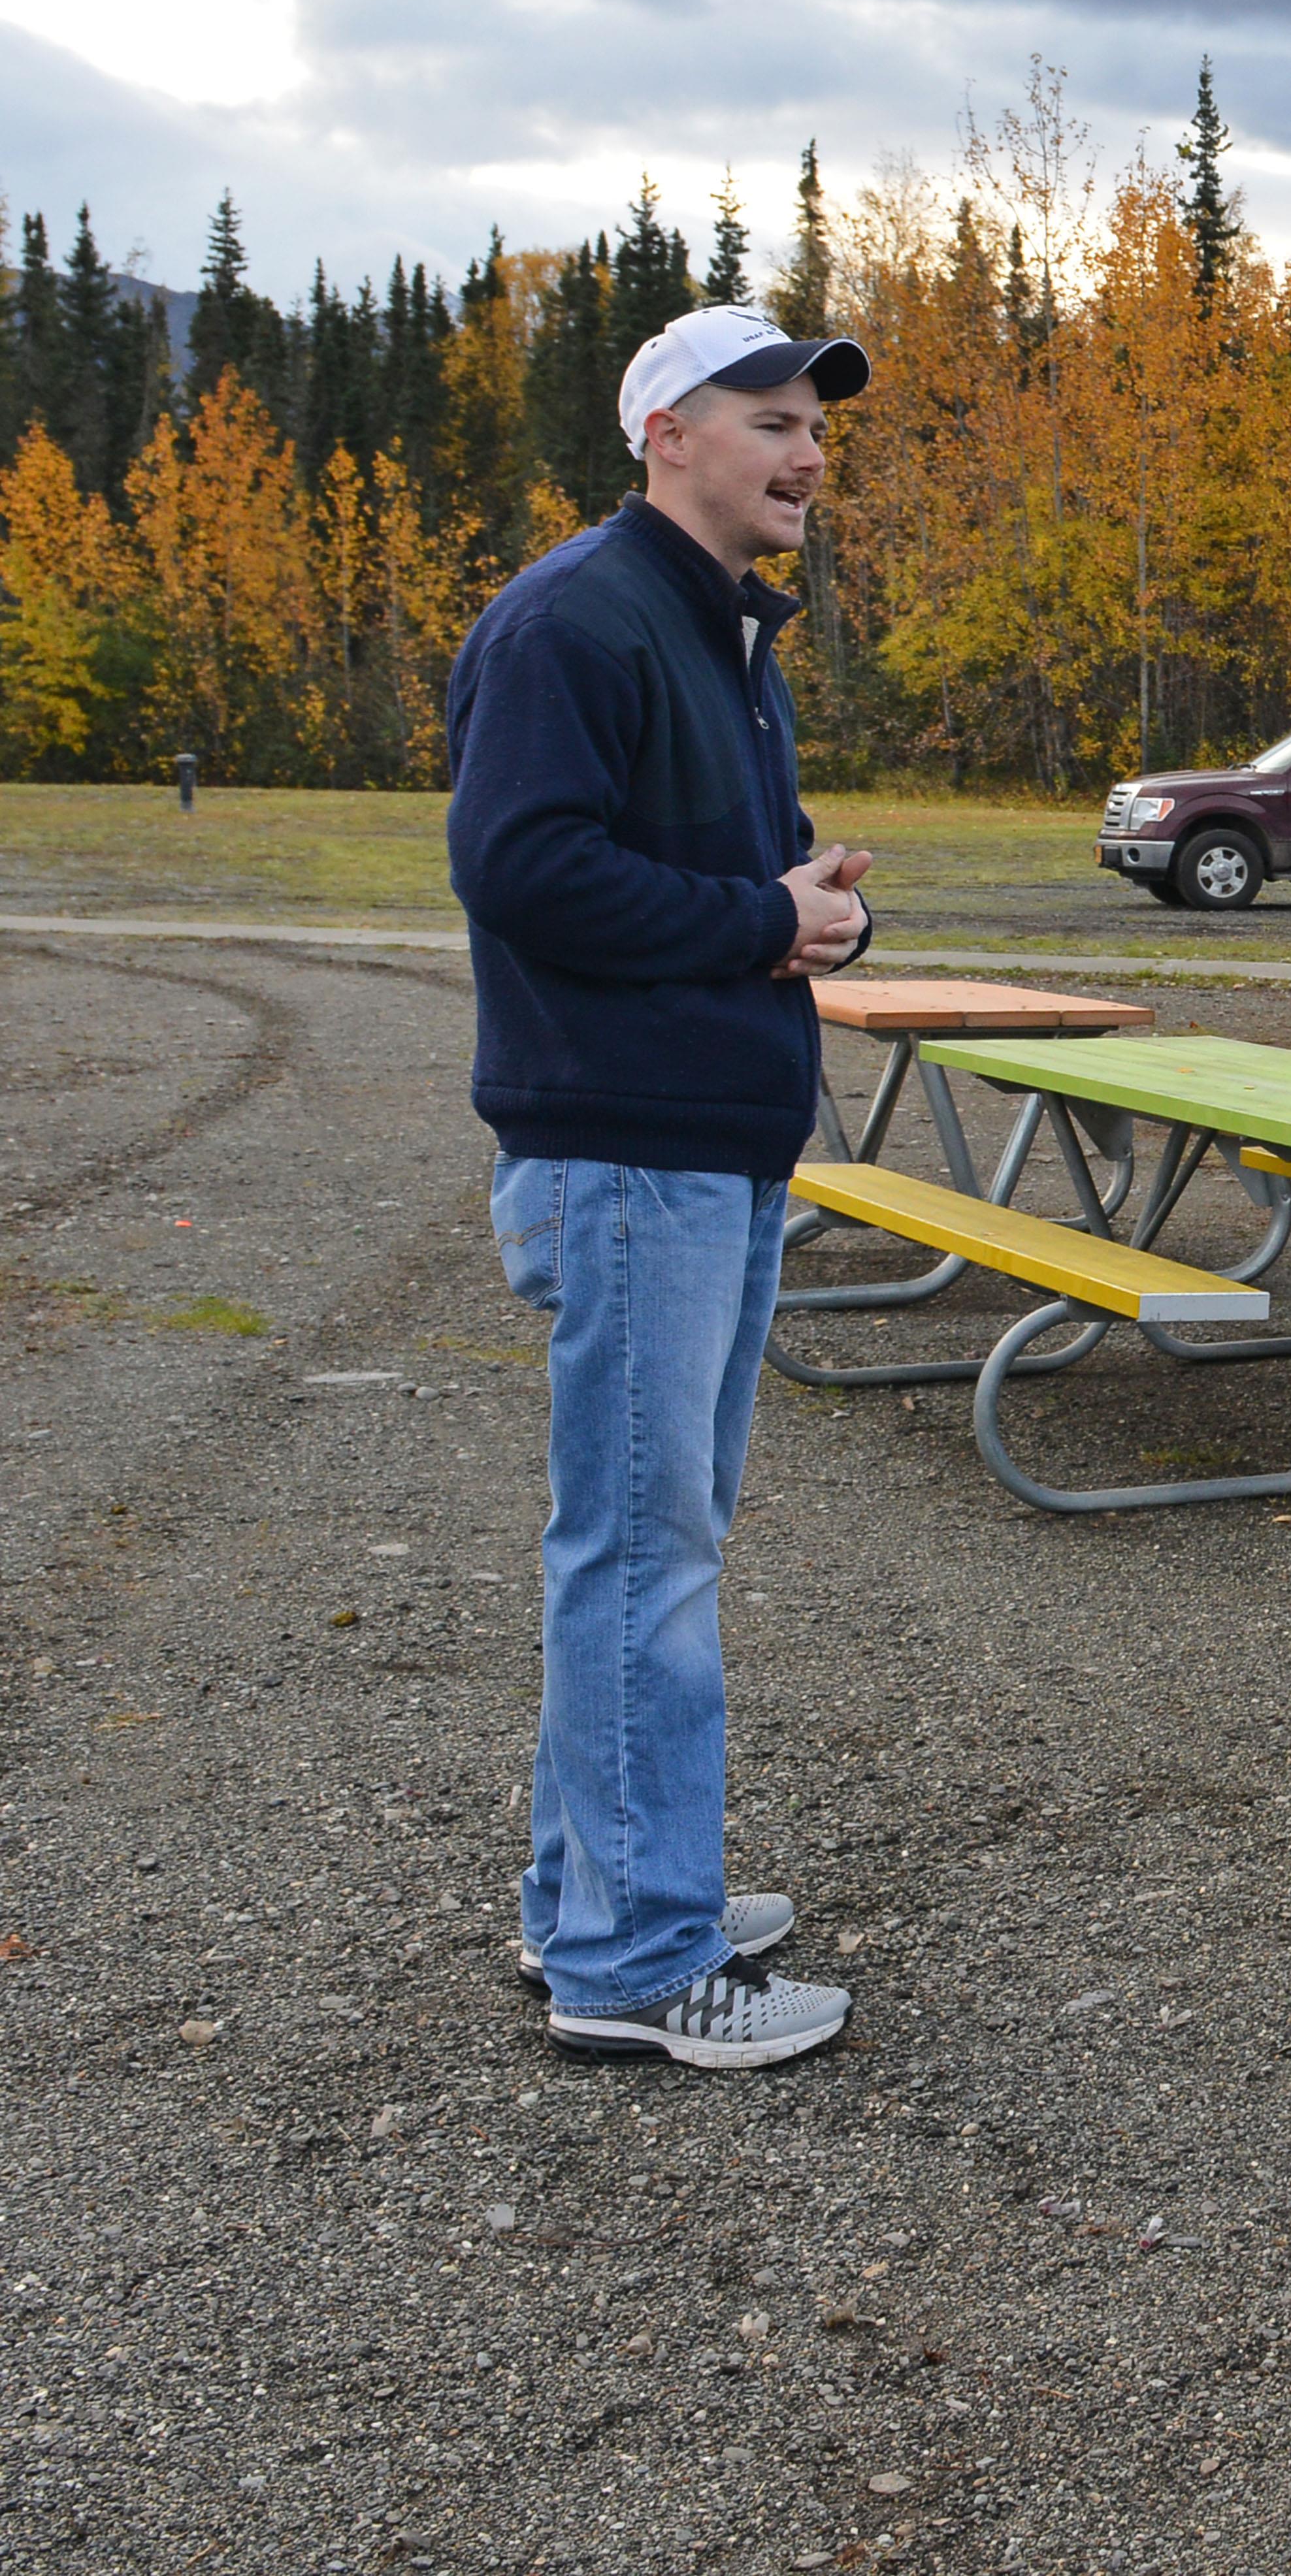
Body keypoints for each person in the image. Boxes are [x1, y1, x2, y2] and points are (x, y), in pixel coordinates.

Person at [441, 302, 877, 2072]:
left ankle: (604, 1898)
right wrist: (765, 920)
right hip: (628, 1157)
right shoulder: (580, 619)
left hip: (699, 1149)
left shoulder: (712, 631)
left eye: (815, 427)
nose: (803, 451)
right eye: (766, 417)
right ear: (663, 436)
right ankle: (639, 1962)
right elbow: (527, 870)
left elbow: (686, 875)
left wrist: (807, 904)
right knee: (641, 1566)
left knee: (647, 1550)